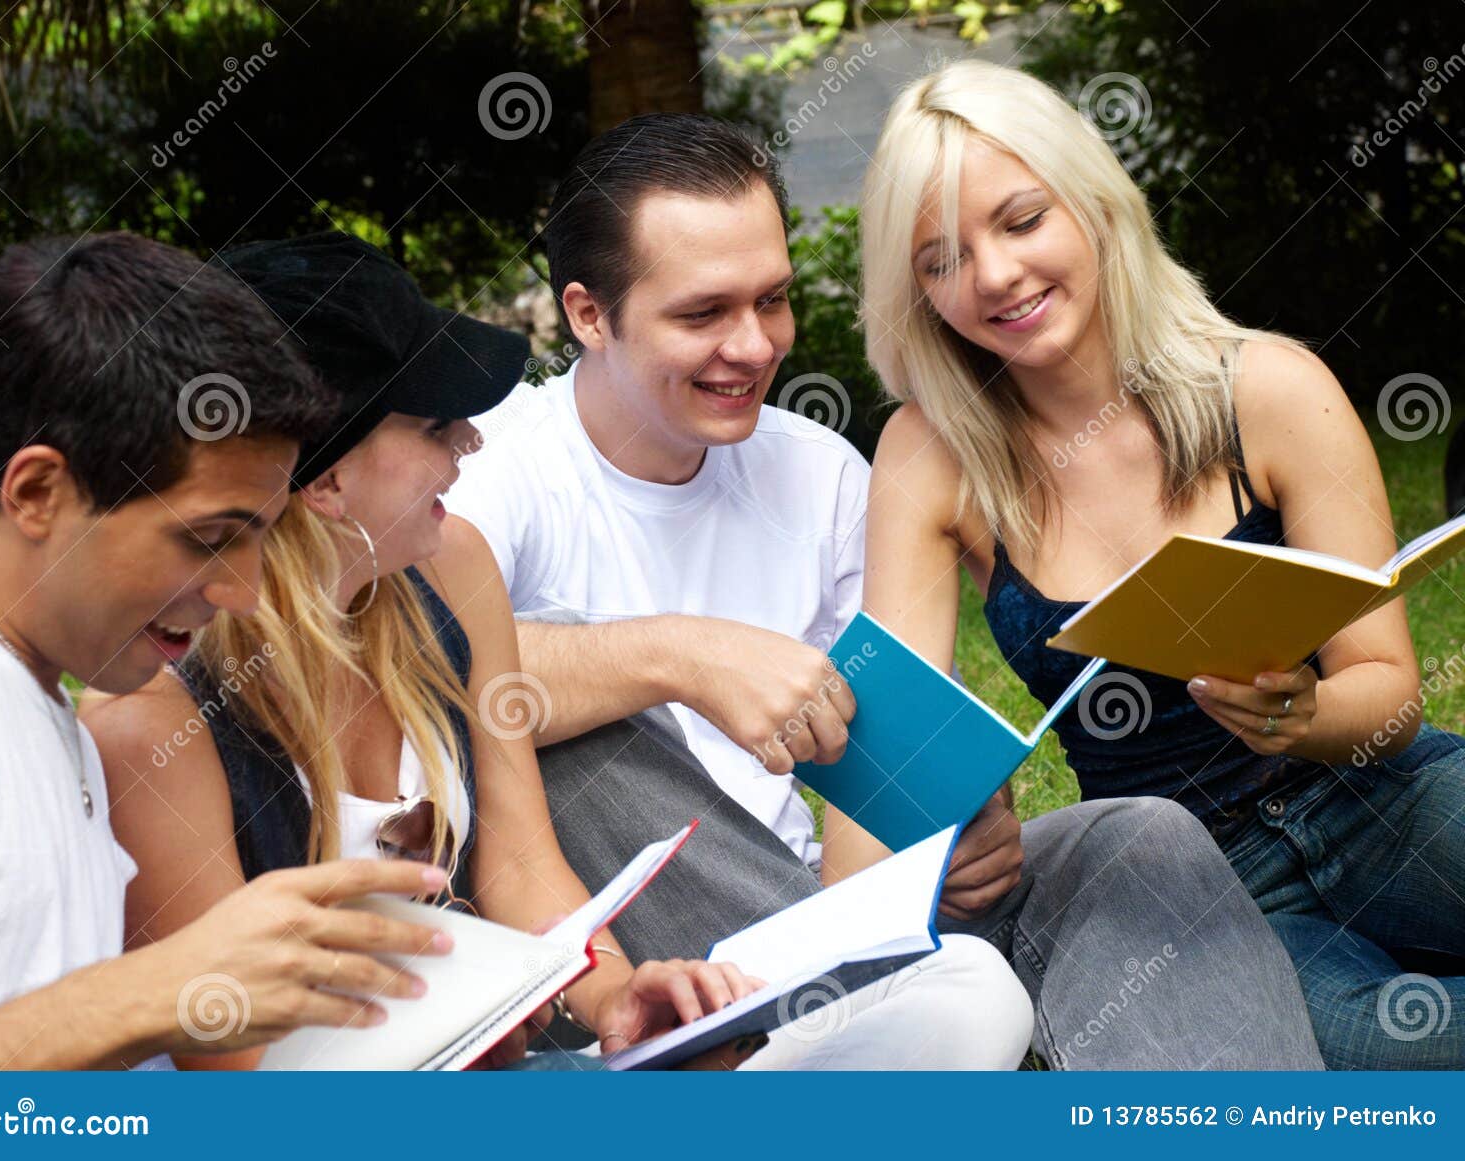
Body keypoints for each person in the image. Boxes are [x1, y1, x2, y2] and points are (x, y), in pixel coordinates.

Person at [444, 112, 1325, 1069]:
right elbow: (408, 669)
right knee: (567, 708)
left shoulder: (817, 472)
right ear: (588, 315)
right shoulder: (491, 471)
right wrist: (679, 655)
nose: (753, 346)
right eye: (703, 314)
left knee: (1140, 839)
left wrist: (946, 834)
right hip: (674, 962)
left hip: (818, 908)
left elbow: (884, 738)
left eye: (772, 300)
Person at [82, 232, 1031, 1070]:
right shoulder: (156, 710)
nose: (468, 442)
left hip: (513, 1069)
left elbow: (523, 865)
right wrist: (456, 1026)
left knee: (970, 990)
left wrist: (617, 1000)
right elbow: (234, 1058)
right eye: (433, 423)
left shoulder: (448, 572)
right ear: (325, 479)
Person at [850, 58, 1463, 1068]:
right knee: (1392, 1048)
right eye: (940, 259)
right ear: (913, 292)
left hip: (1375, 798)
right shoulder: (929, 457)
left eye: (1019, 220)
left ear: (1091, 202)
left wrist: (1305, 719)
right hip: (1192, 884)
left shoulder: (1269, 388)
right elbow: (899, 749)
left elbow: (1390, 693)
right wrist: (939, 833)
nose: (993, 276)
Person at [0, 233, 459, 1068]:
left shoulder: (35, 694)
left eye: (261, 538)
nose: (243, 591)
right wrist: (144, 995)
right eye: (210, 538)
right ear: (38, 491)